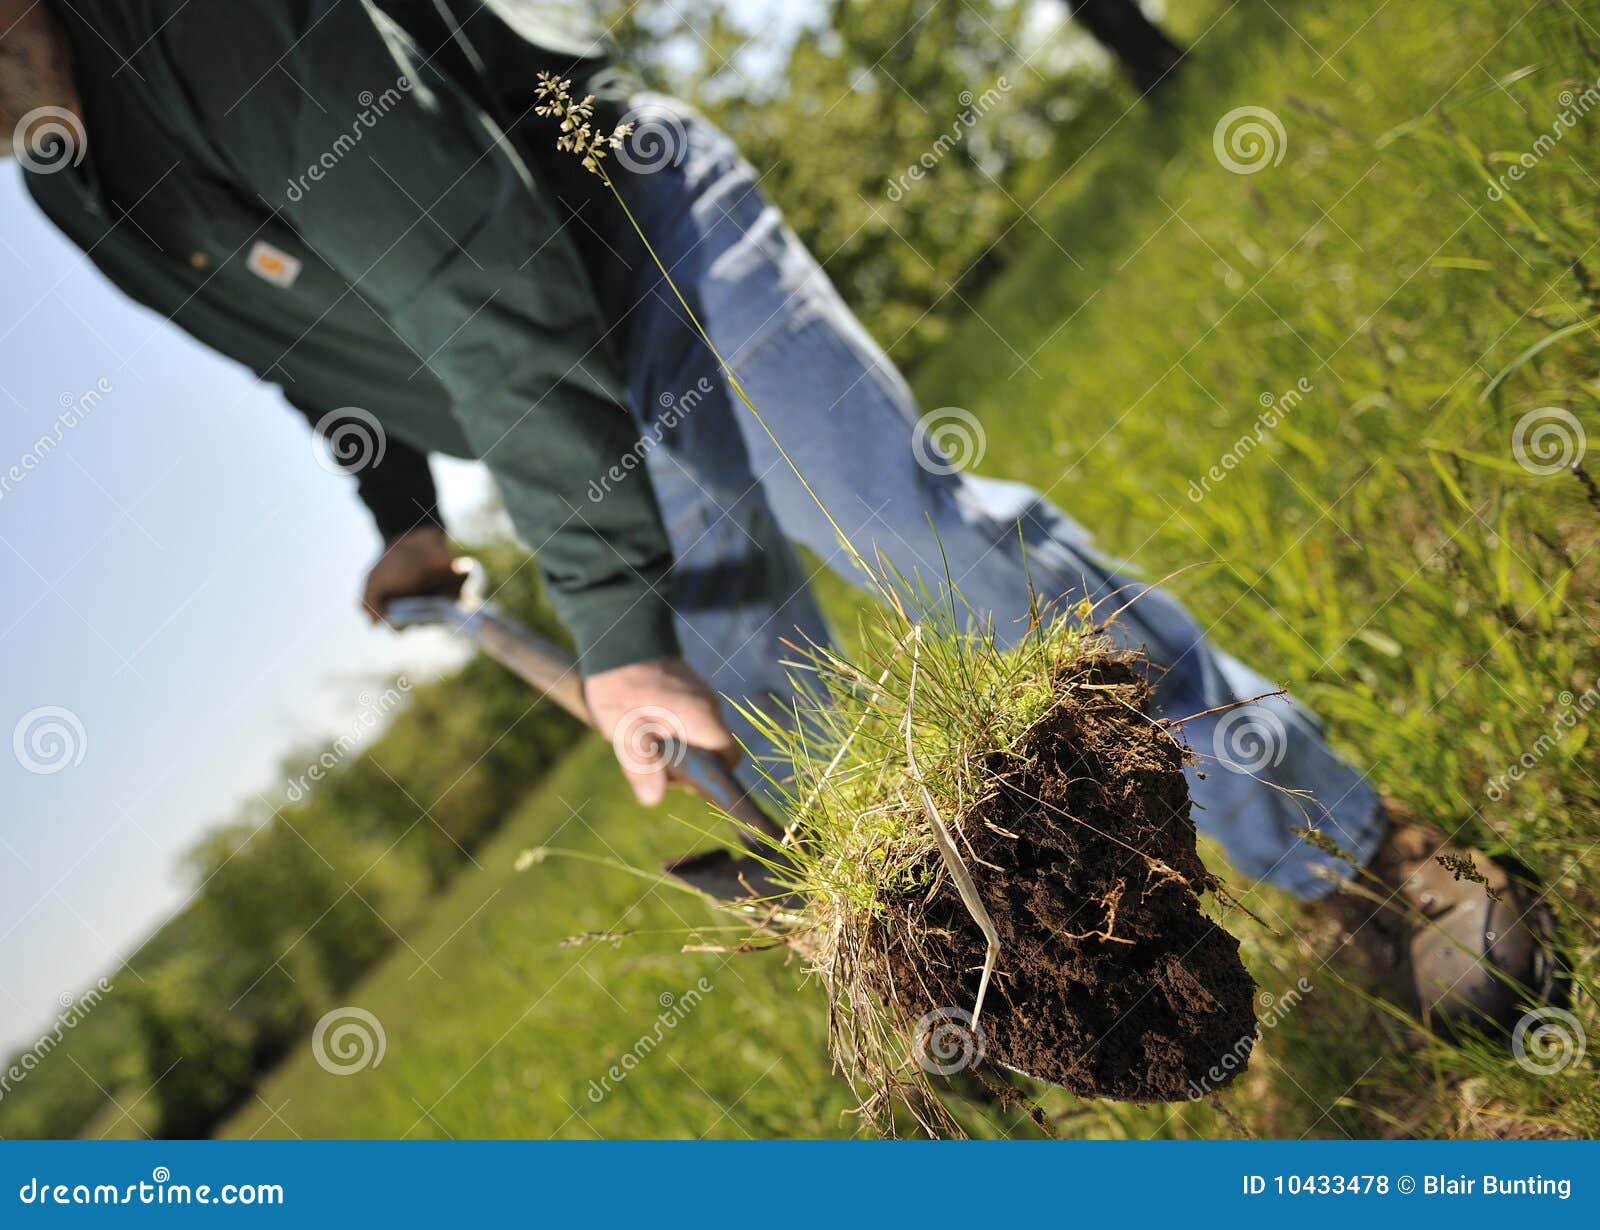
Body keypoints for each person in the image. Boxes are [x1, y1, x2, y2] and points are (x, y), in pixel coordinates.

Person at [2, 0, 1562, 1038]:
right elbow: (304, 336)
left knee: (925, 540)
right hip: (566, 400)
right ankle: (1071, 979)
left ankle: (1359, 860)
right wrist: (401, 510)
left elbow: (475, 270)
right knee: (791, 737)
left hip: (642, 237)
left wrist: (614, 624)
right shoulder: (56, 168)